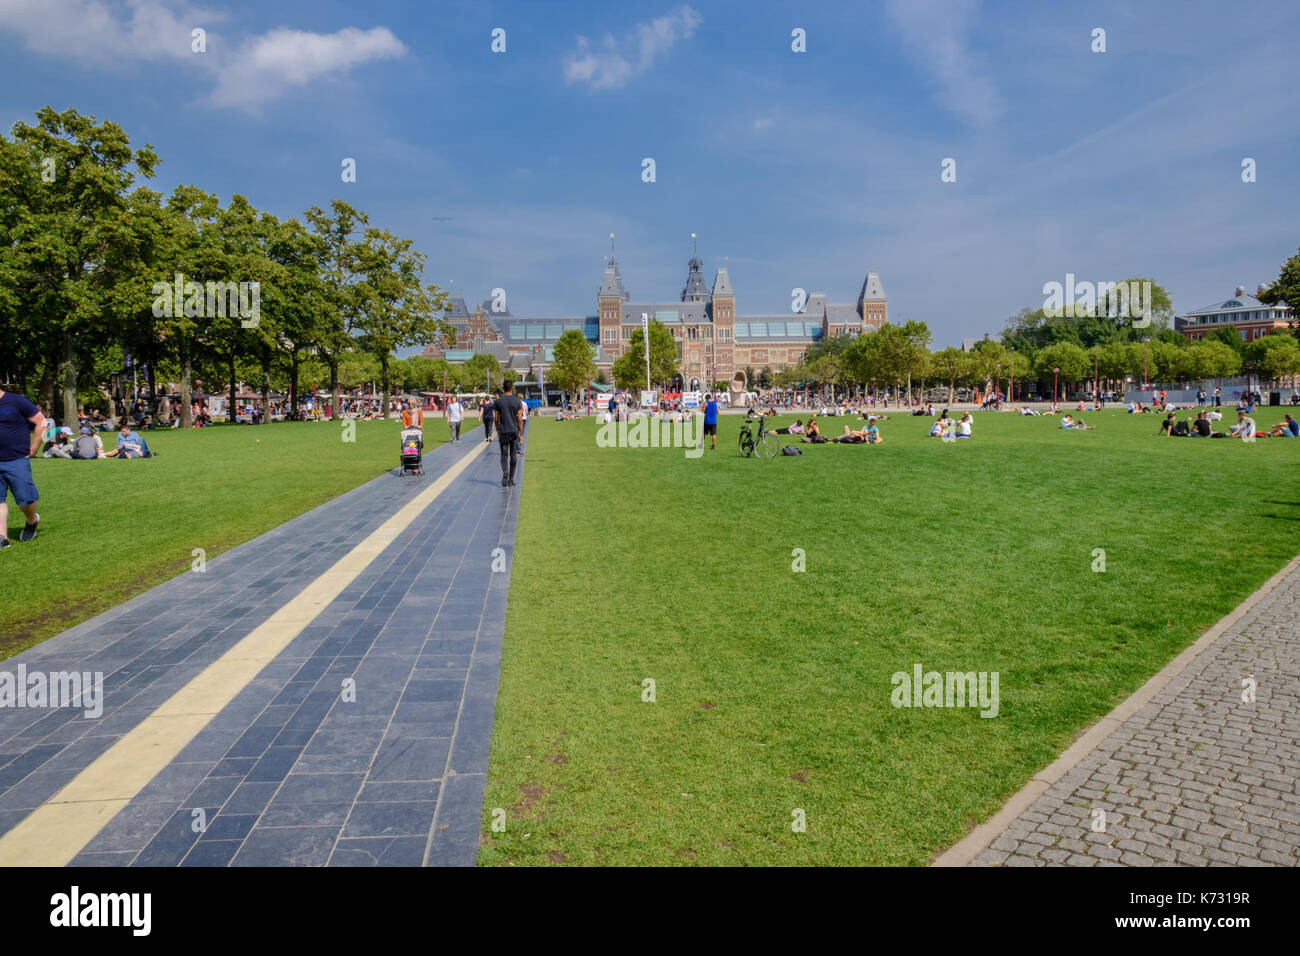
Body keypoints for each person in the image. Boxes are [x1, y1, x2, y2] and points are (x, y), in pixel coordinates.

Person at [0, 385, 45, 548]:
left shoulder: (17, 401)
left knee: (24, 501)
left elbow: (41, 421)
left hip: (16, 459)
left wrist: (34, 448)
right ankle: (2, 537)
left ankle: (32, 520)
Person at [492, 380, 526, 487]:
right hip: (514, 431)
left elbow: (496, 418)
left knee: (504, 454)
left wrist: (497, 430)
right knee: (513, 454)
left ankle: (505, 471)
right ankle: (511, 479)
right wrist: (521, 435)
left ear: (503, 388)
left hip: (503, 431)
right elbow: (520, 419)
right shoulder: (517, 401)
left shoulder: (498, 401)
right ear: (512, 388)